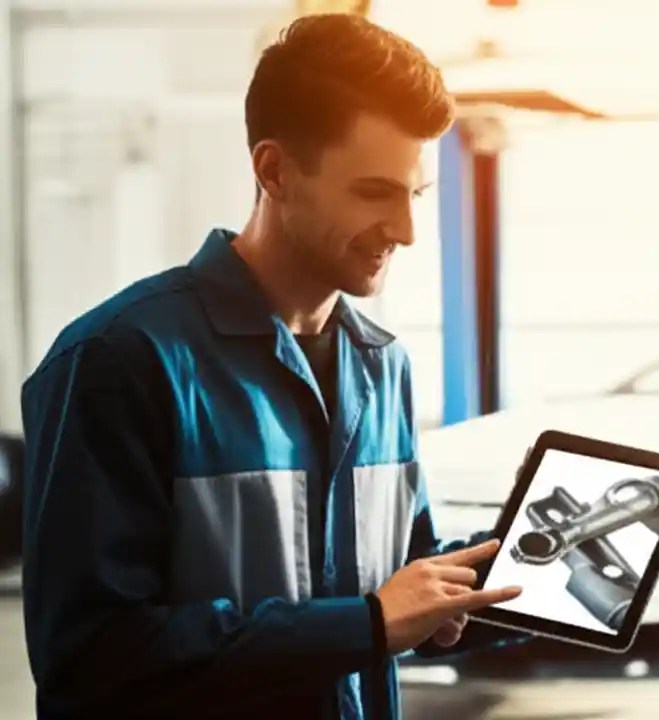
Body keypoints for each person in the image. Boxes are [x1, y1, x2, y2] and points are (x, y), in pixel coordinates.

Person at [20, 14, 527, 720]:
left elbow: (399, 596)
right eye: (373, 191)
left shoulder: (385, 370)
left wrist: (543, 568)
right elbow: (91, 657)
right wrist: (367, 623)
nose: (407, 232)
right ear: (274, 170)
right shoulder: (120, 360)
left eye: (414, 195)